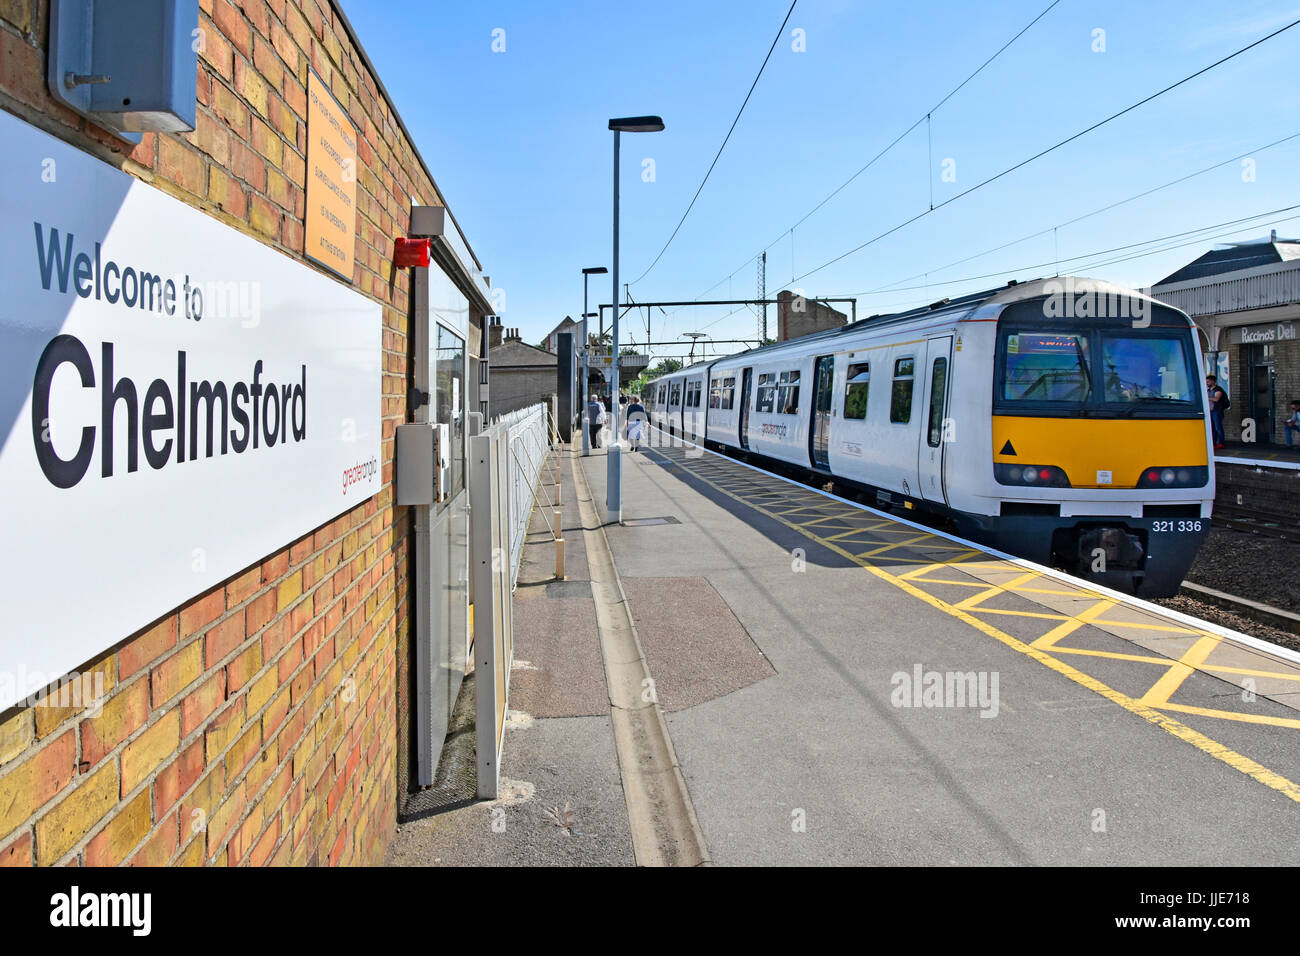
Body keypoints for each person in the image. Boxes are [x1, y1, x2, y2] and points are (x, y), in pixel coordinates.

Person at [1205, 375, 1227, 450]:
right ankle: (1213, 443)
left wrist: (1206, 397)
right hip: (1211, 410)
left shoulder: (1218, 390)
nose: (1207, 383)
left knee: (1218, 427)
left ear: (1213, 381)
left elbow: (1216, 399)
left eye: (1208, 381)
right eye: (1206, 381)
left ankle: (1221, 443)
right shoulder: (1208, 390)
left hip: (1217, 411)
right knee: (1212, 428)